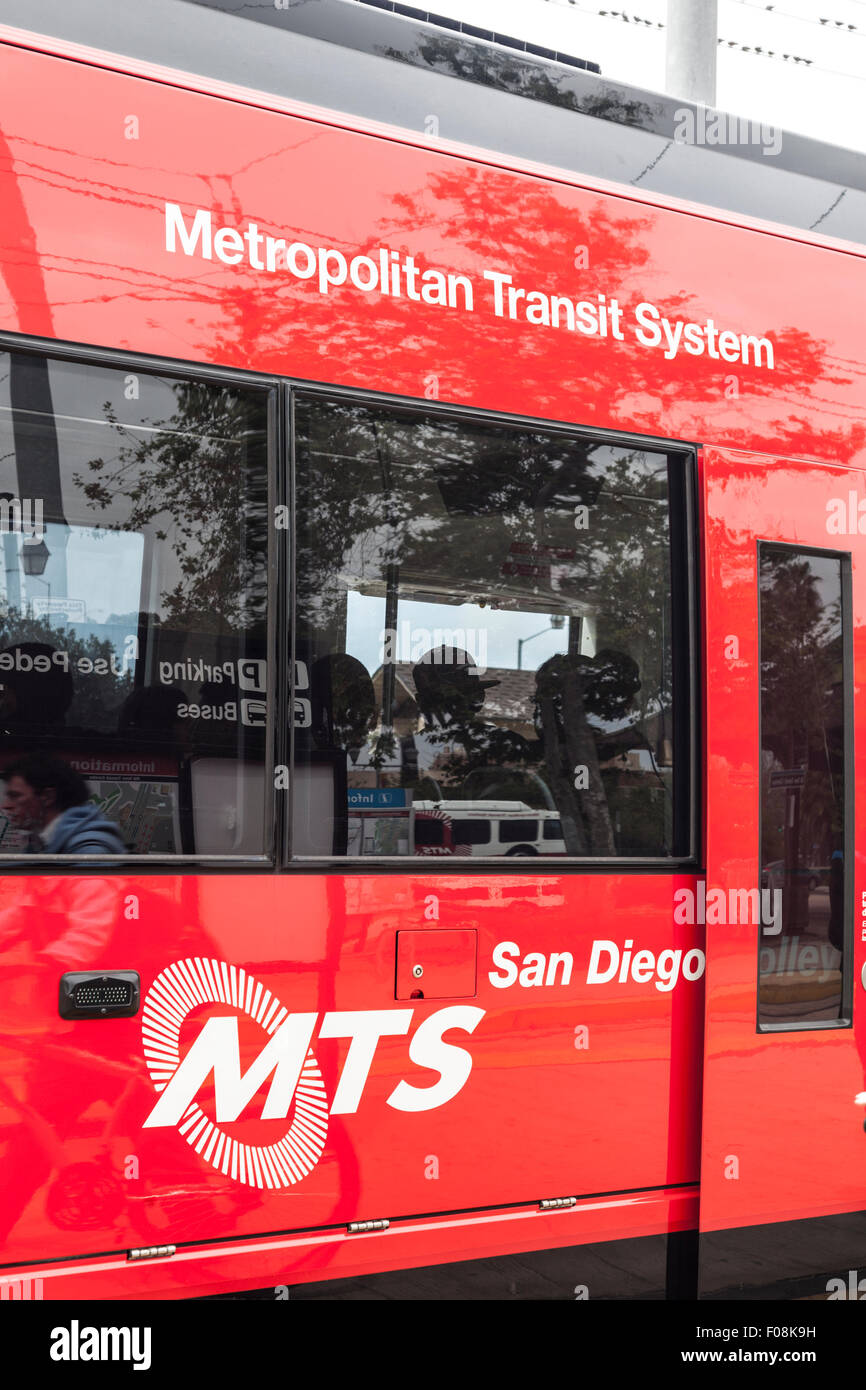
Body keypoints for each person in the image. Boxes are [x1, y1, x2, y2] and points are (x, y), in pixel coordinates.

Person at [1, 754, 126, 853]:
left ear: (47, 797)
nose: (5, 805)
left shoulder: (89, 851)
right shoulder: (42, 843)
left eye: (15, 796)